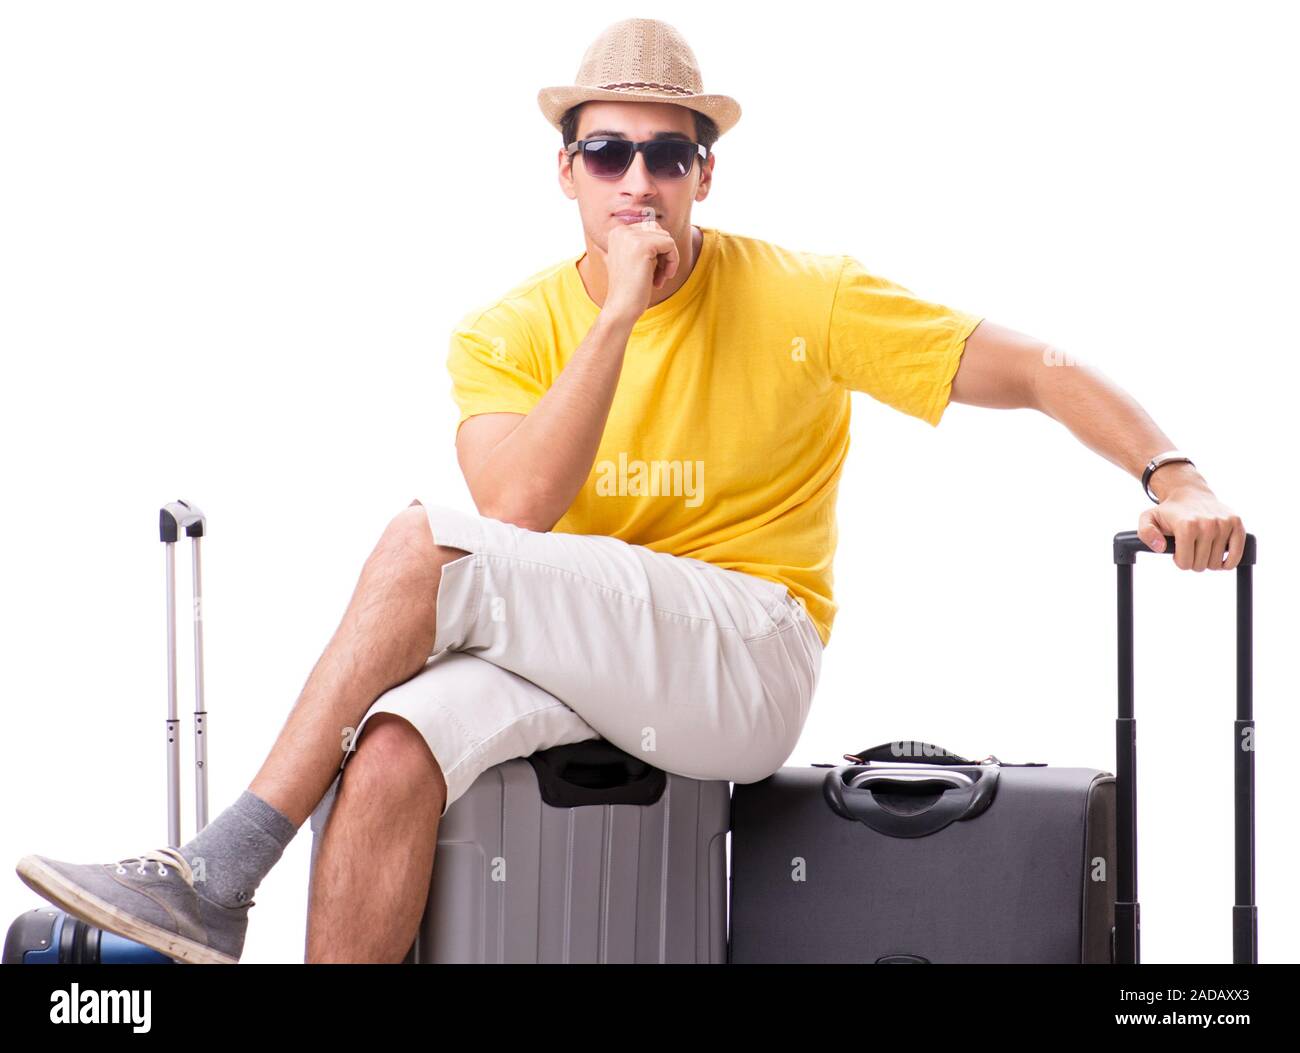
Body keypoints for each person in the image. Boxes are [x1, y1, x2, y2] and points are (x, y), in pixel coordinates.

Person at [15, 17, 1247, 965]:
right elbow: (520, 504)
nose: (638, 181)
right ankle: (228, 900)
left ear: (706, 174)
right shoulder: (507, 331)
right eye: (609, 152)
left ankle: (219, 870)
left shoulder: (802, 296)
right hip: (581, 658)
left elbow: (1033, 367)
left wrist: (1171, 471)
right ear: (567, 170)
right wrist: (615, 315)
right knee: (391, 752)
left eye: (669, 153)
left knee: (419, 545)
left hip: (744, 654)